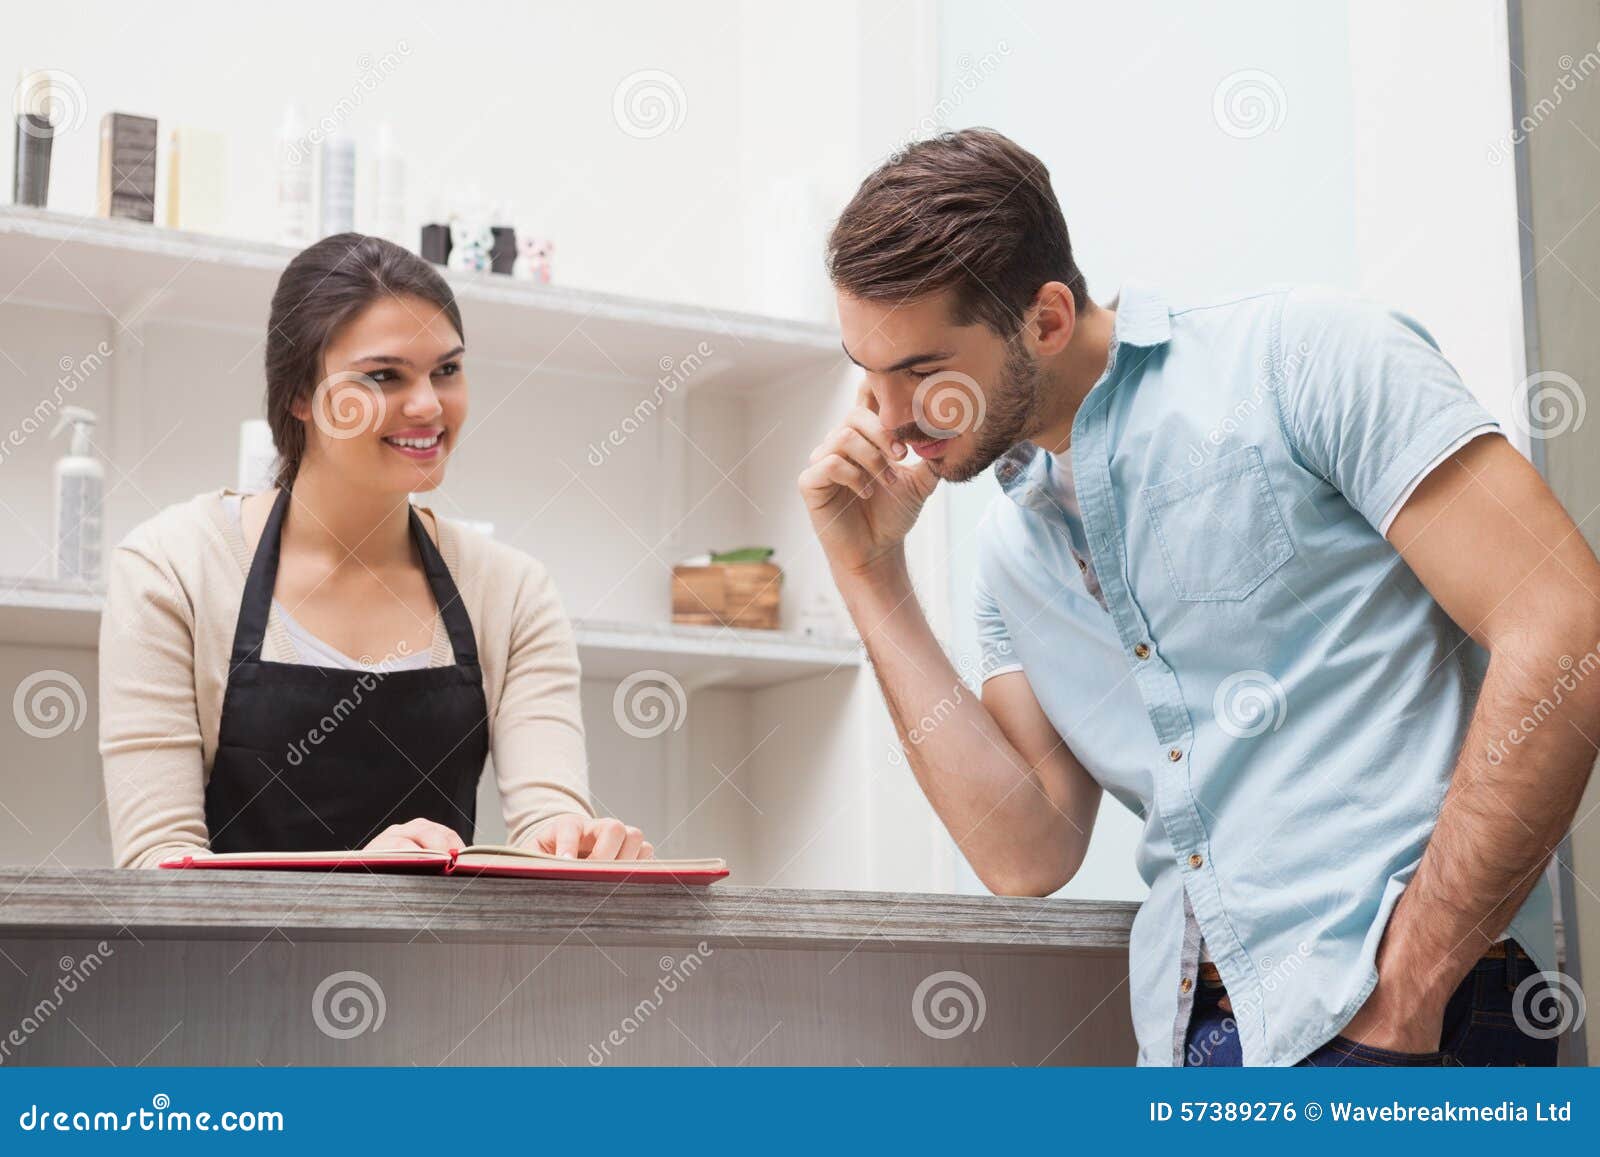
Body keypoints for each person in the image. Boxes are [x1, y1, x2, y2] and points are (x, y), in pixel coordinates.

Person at [799, 128, 1599, 1066]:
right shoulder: (1013, 552)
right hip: (1199, 1034)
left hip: (1409, 1017)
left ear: (1046, 319)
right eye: (868, 371)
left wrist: (1409, 992)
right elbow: (1026, 852)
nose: (890, 419)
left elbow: (1564, 628)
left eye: (920, 372)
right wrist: (870, 573)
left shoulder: (1303, 356)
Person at [101, 233, 653, 867]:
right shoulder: (172, 570)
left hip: (442, 940)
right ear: (298, 394)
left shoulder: (512, 591)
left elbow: (547, 816)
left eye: (446, 370)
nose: (428, 405)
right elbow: (156, 865)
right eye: (384, 376)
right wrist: (353, 875)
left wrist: (576, 846)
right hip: (221, 940)